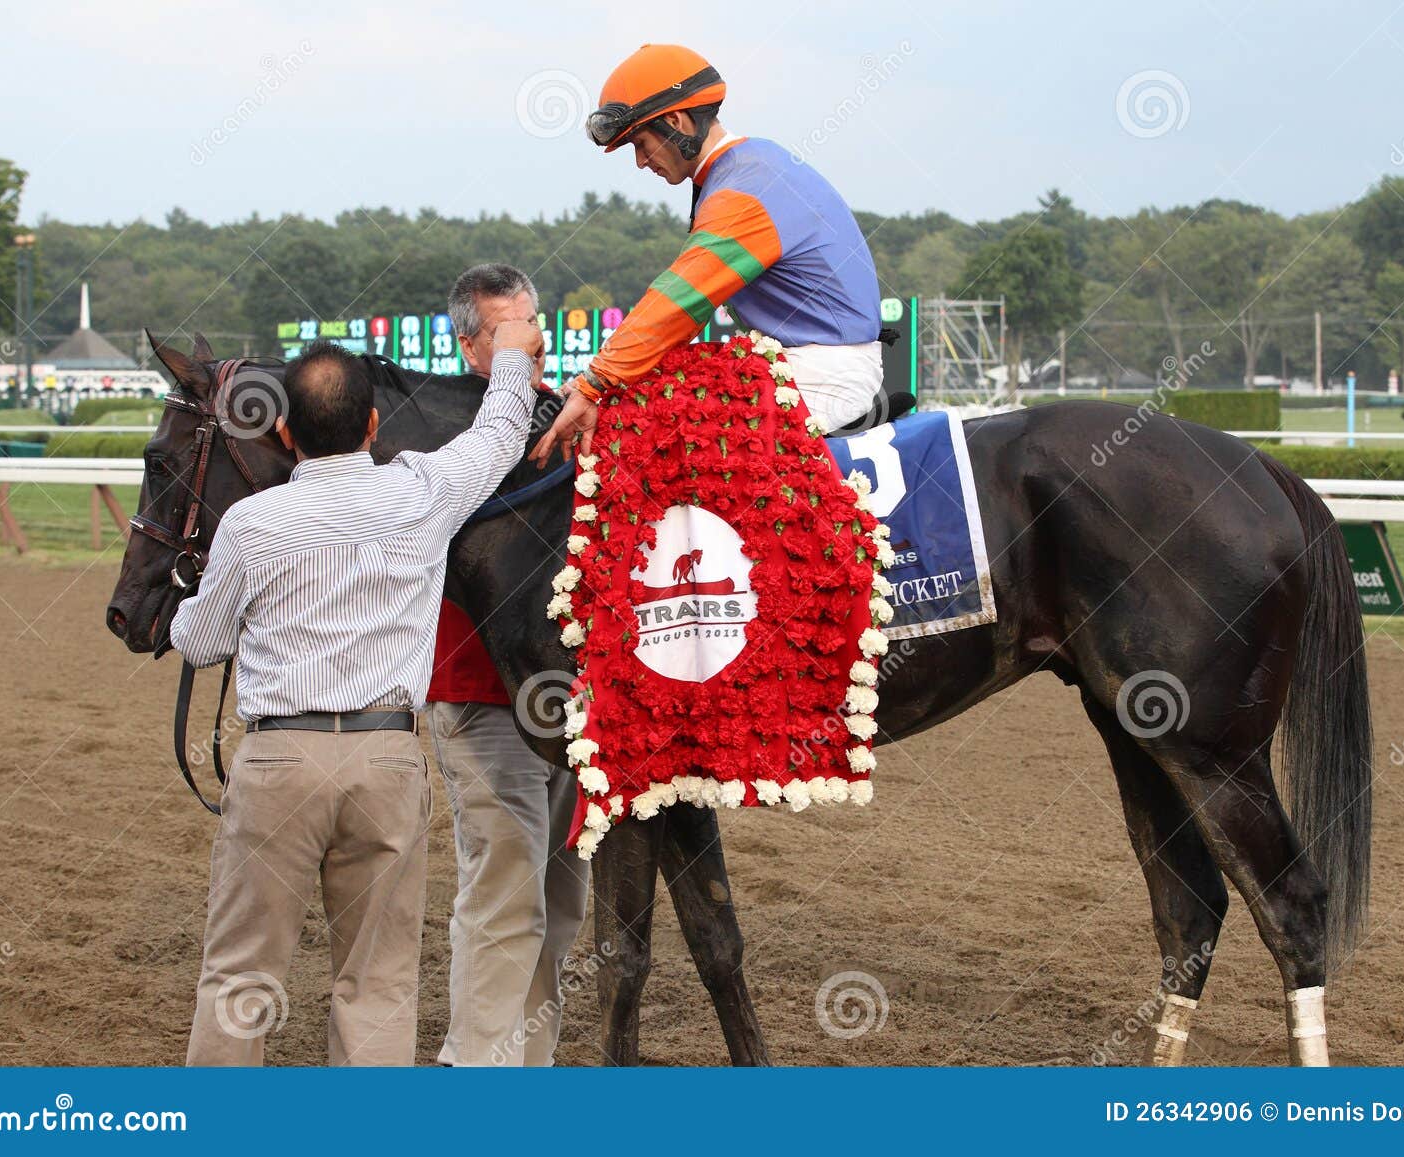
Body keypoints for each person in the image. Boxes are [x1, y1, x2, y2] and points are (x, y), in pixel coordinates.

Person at [171, 324, 542, 1066]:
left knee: (240, 973)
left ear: (284, 432)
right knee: (377, 983)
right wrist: (508, 349)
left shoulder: (250, 523)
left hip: (278, 760)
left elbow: (199, 641)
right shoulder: (422, 492)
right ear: (373, 425)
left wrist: (189, 599)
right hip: (387, 758)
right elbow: (501, 431)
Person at [531, 43, 884, 466]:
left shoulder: (746, 188)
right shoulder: (744, 167)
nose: (642, 162)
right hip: (801, 362)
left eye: (641, 144)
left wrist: (593, 383)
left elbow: (678, 302)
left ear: (677, 122)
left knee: (666, 445)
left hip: (824, 377)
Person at [424, 264, 590, 1066]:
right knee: (504, 895)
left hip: (564, 702)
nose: (530, 340)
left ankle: (530, 1070)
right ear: (466, 343)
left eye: (534, 322)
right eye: (507, 331)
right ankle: (476, 1074)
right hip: (481, 700)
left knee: (560, 901)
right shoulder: (442, 429)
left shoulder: (567, 412)